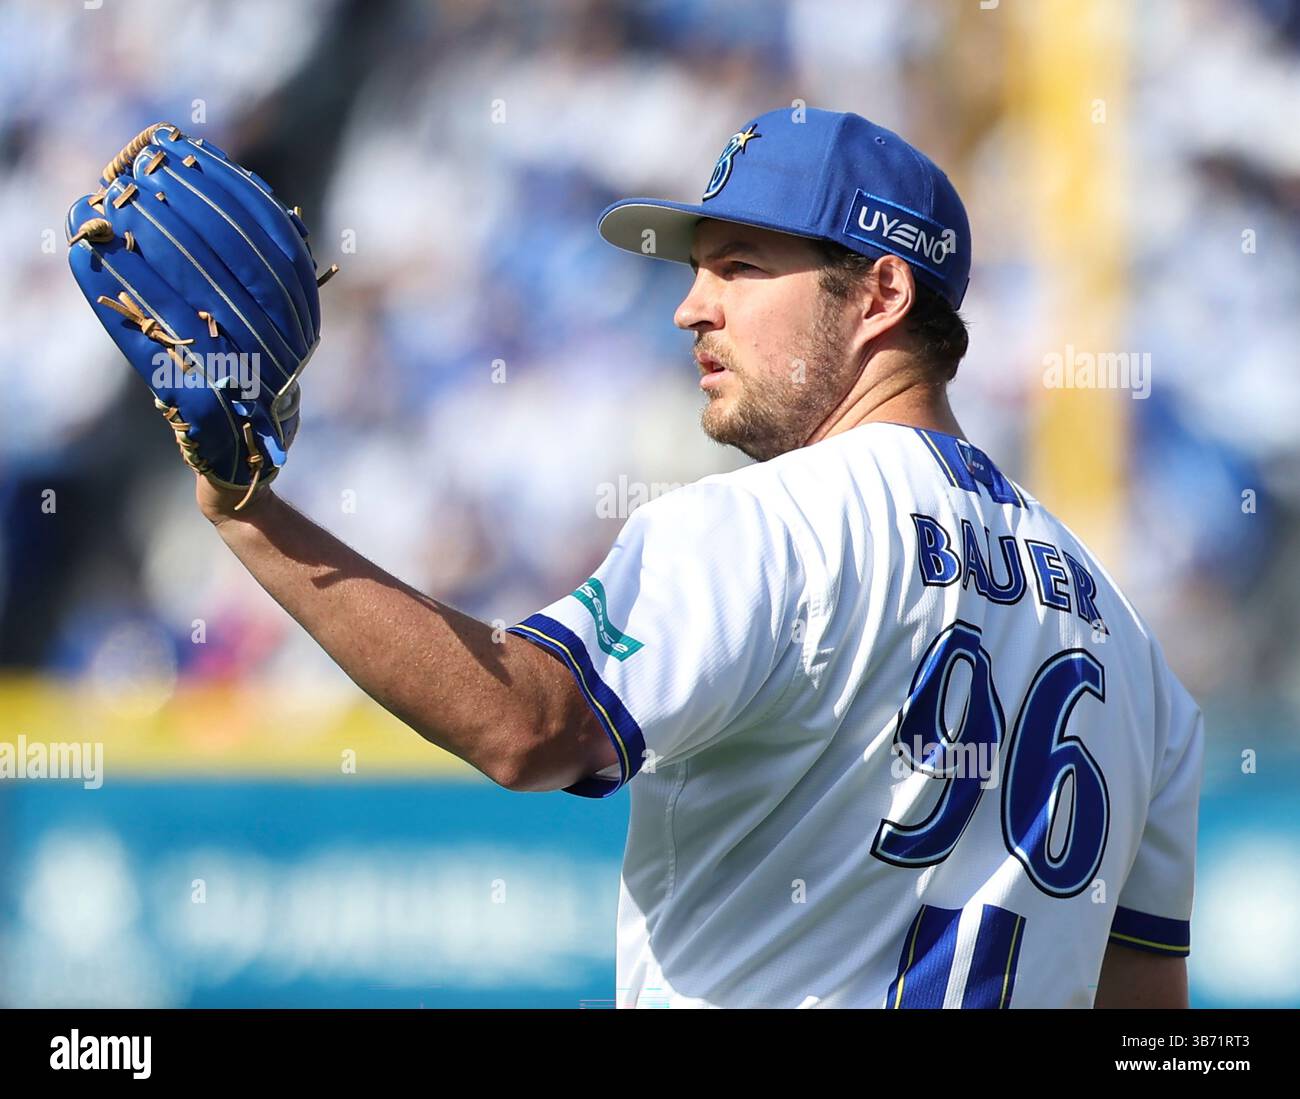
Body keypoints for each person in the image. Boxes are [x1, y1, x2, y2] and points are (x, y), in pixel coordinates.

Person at [197, 107, 1203, 1009]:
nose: (690, 307)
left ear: (881, 292)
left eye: (741, 265)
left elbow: (528, 726)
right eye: (694, 270)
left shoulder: (767, 522)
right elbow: (1144, 1002)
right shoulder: (1126, 635)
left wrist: (251, 518)